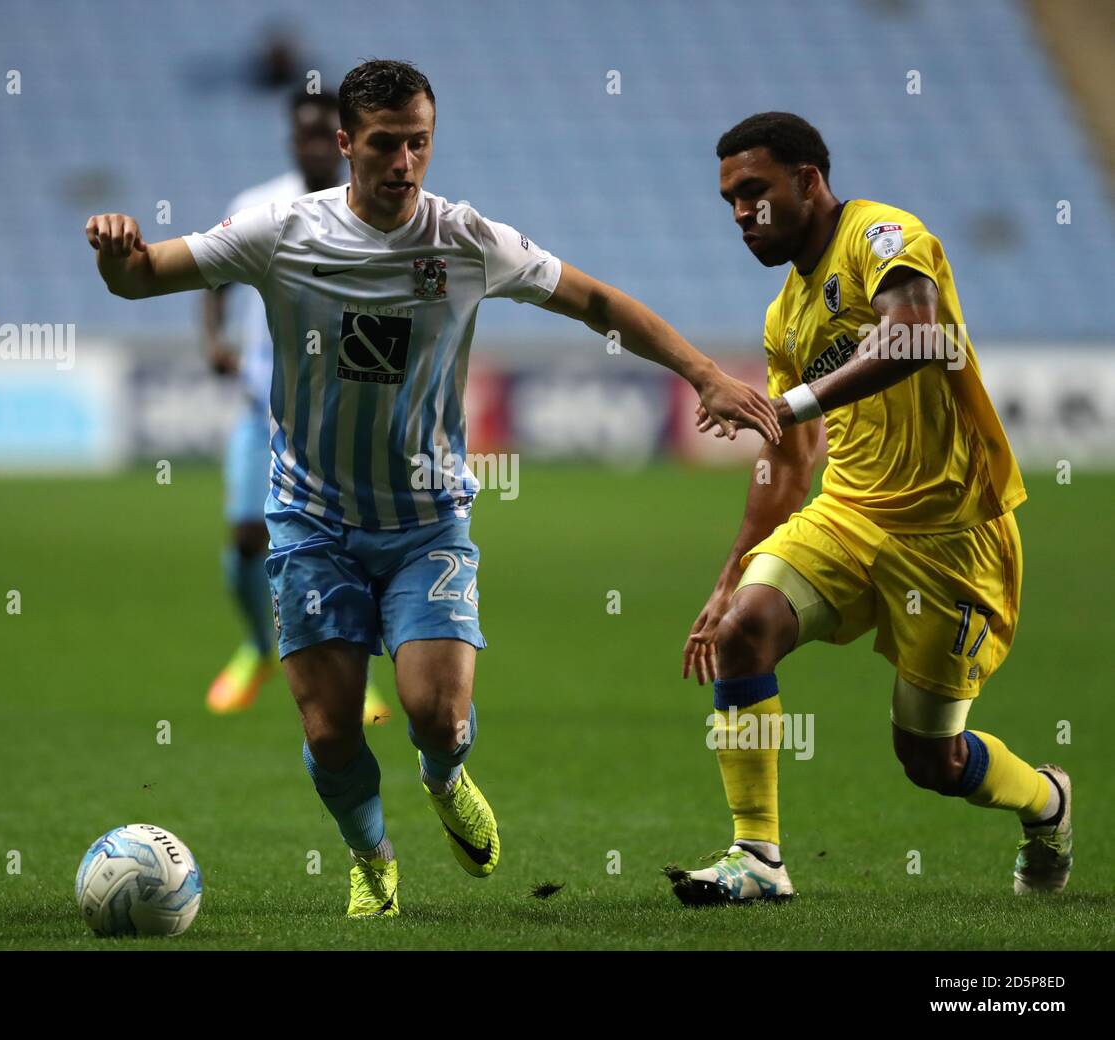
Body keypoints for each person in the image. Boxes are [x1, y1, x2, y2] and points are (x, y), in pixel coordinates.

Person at [86, 60, 778, 919]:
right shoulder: (279, 232)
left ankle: (446, 779)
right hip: (312, 520)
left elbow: (596, 300)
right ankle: (371, 859)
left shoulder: (466, 241)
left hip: (426, 522)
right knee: (331, 732)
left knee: (435, 716)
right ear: (346, 144)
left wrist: (704, 373)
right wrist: (119, 254)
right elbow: (146, 273)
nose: (405, 162)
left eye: (420, 142)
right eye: (385, 144)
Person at [674, 112, 1070, 905]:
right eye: (728, 201)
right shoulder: (785, 316)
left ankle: (1048, 802)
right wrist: (730, 575)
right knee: (745, 628)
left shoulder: (880, 235)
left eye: (754, 190)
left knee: (933, 760)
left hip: (953, 537)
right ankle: (757, 856)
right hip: (849, 516)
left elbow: (914, 336)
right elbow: (790, 462)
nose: (742, 213)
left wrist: (787, 403)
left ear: (809, 180)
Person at [201, 88, 388, 726]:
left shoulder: (375, 210)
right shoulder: (256, 207)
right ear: (292, 139)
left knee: (344, 547)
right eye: (301, 134)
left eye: (322, 134)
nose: (311, 146)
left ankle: (353, 675)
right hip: (264, 409)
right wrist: (214, 342)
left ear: (342, 139)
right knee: (248, 536)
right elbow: (213, 277)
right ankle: (257, 645)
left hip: (337, 419)